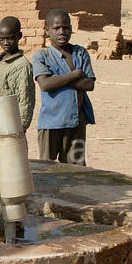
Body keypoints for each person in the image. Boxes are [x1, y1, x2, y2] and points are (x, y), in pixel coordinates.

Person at [32, 9, 95, 164]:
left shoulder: (80, 53)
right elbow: (45, 84)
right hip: (51, 122)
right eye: (56, 28)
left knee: (78, 170)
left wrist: (57, 79)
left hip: (77, 123)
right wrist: (75, 74)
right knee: (47, 169)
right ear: (47, 31)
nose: (62, 32)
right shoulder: (41, 55)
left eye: (66, 27)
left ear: (71, 29)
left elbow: (89, 84)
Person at [0, 16, 35, 129]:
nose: (6, 43)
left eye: (10, 38)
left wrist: (21, 127)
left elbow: (25, 100)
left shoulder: (22, 66)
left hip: (10, 124)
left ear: (19, 36)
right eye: (2, 39)